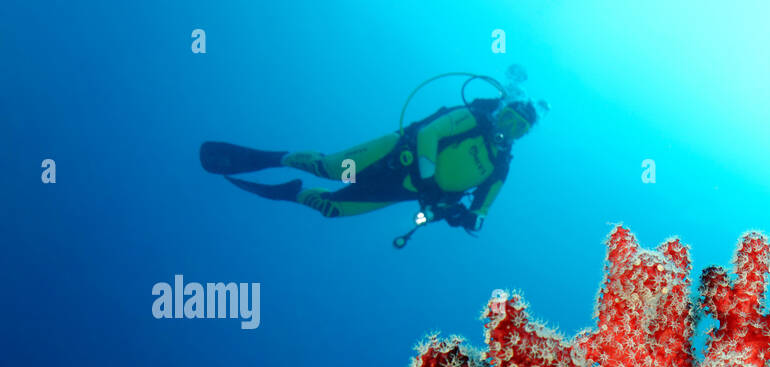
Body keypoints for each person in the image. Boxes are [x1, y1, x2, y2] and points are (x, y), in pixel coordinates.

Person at [199, 97, 538, 234]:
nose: (509, 128)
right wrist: (431, 179)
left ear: (522, 136)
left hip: (400, 192)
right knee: (330, 169)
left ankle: (293, 193)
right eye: (510, 118)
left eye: (519, 128)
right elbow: (429, 134)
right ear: (501, 111)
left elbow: (481, 215)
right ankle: (275, 159)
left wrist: (461, 217)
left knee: (331, 209)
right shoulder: (473, 118)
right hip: (389, 155)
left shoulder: (500, 168)